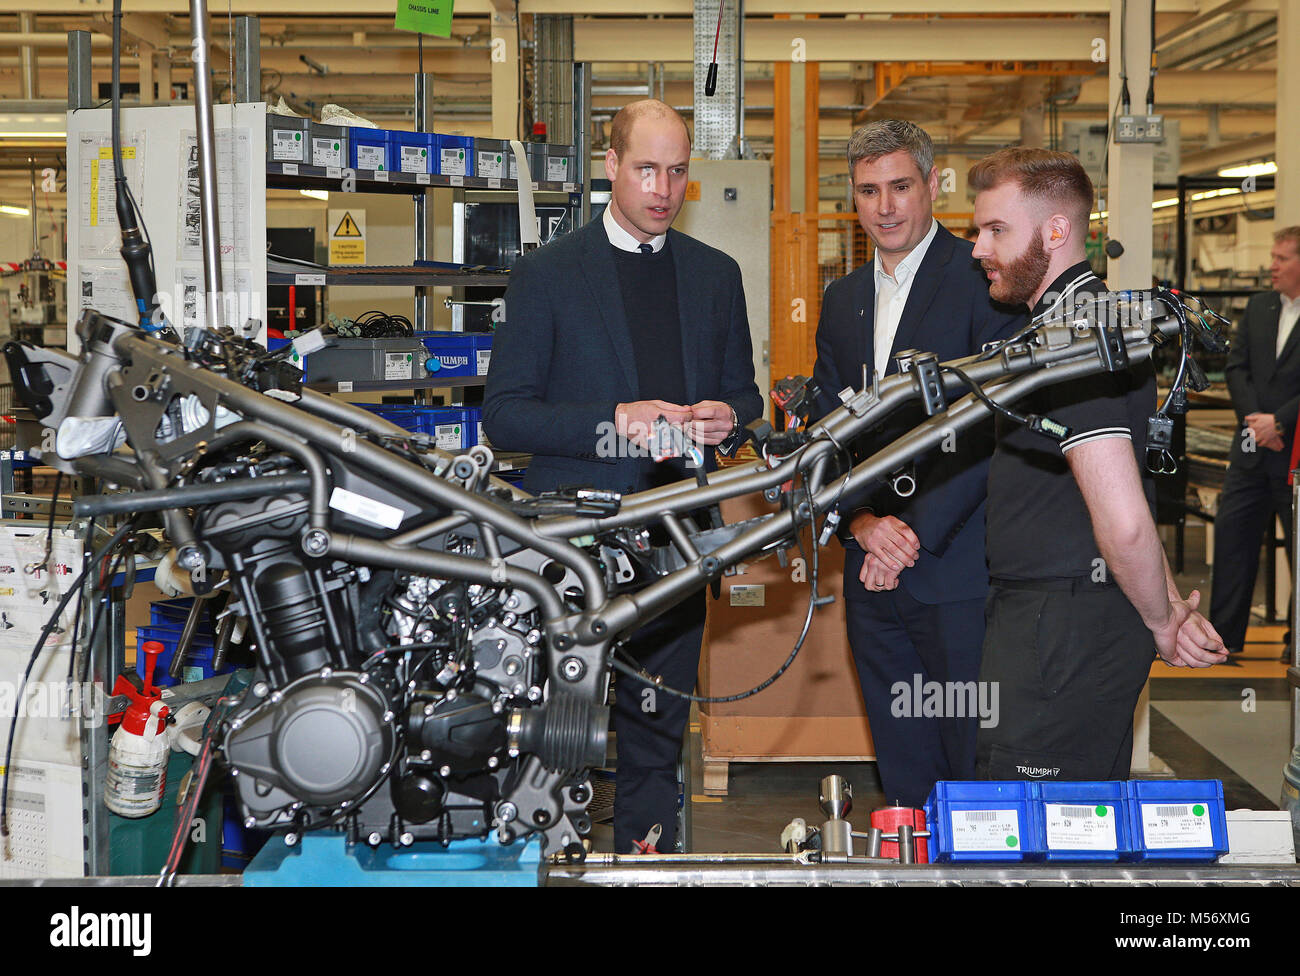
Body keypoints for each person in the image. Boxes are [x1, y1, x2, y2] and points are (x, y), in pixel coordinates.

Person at [483, 99, 763, 853]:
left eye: (677, 172)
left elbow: (748, 396)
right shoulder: (547, 275)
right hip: (570, 546)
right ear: (610, 167)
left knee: (656, 739)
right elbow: (504, 416)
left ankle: (648, 862)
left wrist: (726, 418)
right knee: (551, 739)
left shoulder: (715, 276)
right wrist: (616, 417)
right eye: (647, 169)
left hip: (675, 539)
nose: (663, 188)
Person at [967, 147, 1226, 781]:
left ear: (1056, 231)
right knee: (1056, 821)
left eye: (996, 230)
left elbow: (1125, 520)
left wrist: (1163, 623)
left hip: (1066, 630)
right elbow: (1124, 491)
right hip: (1049, 617)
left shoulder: (1082, 338)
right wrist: (1164, 602)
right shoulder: (1061, 328)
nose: (978, 248)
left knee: (1040, 833)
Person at [809, 120, 1022, 808]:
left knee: (970, 764)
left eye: (901, 186)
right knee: (902, 769)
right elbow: (829, 430)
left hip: (955, 572)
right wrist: (862, 522)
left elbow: (993, 428)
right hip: (872, 571)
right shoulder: (843, 302)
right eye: (869, 191)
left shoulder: (981, 282)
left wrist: (911, 534)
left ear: (933, 186)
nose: (886, 206)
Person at [1210, 227, 1300, 660]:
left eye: (1282, 257)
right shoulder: (1260, 307)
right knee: (1232, 538)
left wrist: (1280, 422)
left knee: (1298, 550)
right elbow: (1236, 368)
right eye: (1273, 255)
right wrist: (1256, 422)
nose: (1273, 265)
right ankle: (1223, 637)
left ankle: (1296, 640)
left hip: (1294, 452)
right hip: (1250, 448)